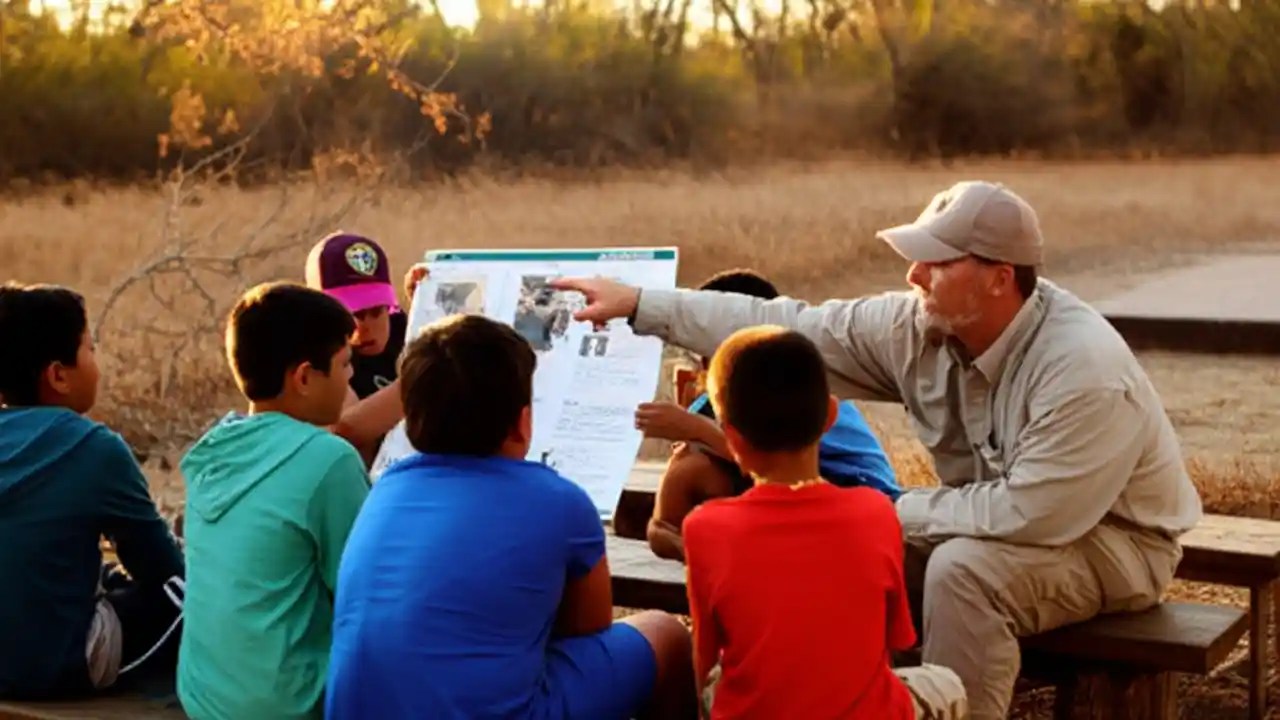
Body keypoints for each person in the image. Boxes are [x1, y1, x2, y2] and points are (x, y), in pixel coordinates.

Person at [551, 180, 1203, 720]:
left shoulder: (1081, 368)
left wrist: (892, 510)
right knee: (838, 538)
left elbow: (1036, 516)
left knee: (962, 571)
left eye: (939, 262)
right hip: (985, 522)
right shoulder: (919, 323)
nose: (915, 274)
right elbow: (786, 326)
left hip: (1112, 544)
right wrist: (641, 304)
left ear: (1000, 279)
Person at [325, 314, 698, 720]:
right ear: (522, 422)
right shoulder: (559, 501)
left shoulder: (384, 489)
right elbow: (588, 634)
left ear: (411, 422)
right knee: (668, 635)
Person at [684, 324, 967, 719]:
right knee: (947, 684)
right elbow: (895, 639)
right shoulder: (877, 513)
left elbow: (704, 657)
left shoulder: (704, 529)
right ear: (831, 416)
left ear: (731, 437)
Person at [176, 282, 370, 720]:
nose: (350, 377)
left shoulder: (213, 451)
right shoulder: (328, 459)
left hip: (204, 698)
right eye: (344, 364)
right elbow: (364, 594)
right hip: (290, 706)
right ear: (303, 377)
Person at [0, 282, 185, 700]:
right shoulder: (92, 448)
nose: (95, 363)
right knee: (180, 602)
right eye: (90, 349)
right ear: (58, 375)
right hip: (48, 671)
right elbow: (163, 571)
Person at [638, 268, 900, 562]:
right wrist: (674, 537)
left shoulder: (803, 384)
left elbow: (780, 461)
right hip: (790, 505)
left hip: (857, 499)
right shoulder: (718, 395)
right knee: (690, 466)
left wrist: (696, 429)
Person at [305, 231, 424, 465]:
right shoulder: (316, 354)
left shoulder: (400, 327)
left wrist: (426, 304)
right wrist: (420, 378)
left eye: (377, 311)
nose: (365, 326)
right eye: (353, 314)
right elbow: (345, 431)